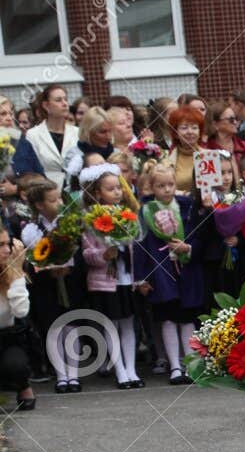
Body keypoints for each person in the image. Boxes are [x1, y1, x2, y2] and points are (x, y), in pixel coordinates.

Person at [134, 160, 204, 383]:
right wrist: (141, 277)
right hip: (161, 272)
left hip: (187, 270)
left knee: (187, 318)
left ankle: (190, 364)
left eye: (170, 184)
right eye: (160, 186)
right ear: (152, 187)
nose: (166, 190)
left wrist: (188, 248)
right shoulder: (146, 211)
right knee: (167, 318)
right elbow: (140, 245)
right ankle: (174, 365)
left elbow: (199, 234)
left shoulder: (187, 206)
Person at [19, 175, 85, 391]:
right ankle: (61, 375)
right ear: (39, 205)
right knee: (54, 326)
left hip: (70, 279)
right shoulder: (32, 229)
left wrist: (68, 266)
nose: (59, 203)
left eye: (60, 198)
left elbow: (79, 251)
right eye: (53, 200)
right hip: (46, 284)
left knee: (71, 324)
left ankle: (73, 375)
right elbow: (33, 258)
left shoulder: (69, 223)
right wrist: (47, 268)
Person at [79, 163, 141, 387]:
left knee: (128, 323)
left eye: (118, 188)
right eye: (110, 189)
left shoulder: (126, 215)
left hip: (125, 277)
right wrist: (104, 255)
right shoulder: (89, 218)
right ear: (97, 193)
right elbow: (87, 253)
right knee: (111, 324)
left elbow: (136, 244)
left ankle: (132, 370)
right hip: (105, 280)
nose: (117, 192)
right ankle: (120, 370)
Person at [13, 85, 78, 188]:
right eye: (58, 100)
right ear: (46, 105)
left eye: (65, 99)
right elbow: (31, 169)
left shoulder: (77, 132)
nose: (65, 104)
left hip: (75, 190)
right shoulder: (33, 135)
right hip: (46, 190)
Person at [0, 225, 34, 409]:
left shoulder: (13, 271)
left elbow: (21, 311)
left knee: (15, 365)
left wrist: (17, 273)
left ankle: (23, 385)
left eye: (8, 244)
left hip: (8, 338)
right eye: (0, 245)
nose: (7, 250)